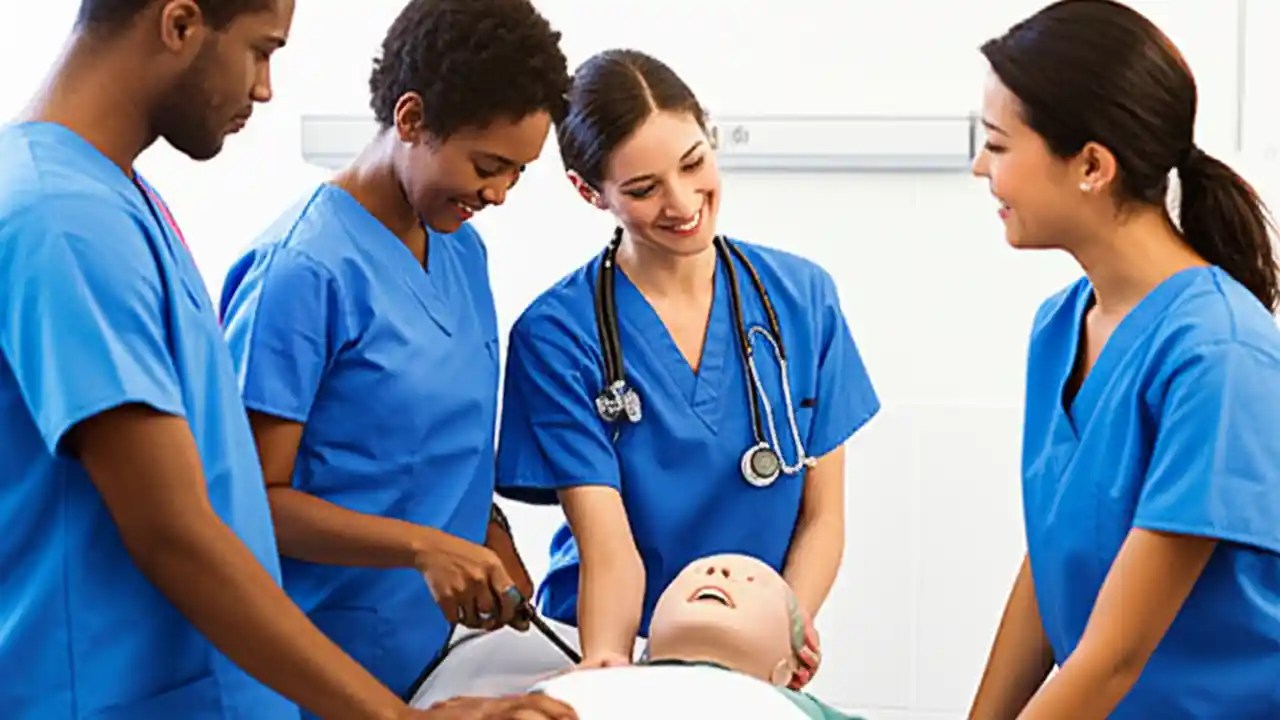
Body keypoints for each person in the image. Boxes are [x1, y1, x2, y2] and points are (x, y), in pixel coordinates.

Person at [0, 2, 575, 719]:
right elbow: (176, 528)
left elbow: (217, 481)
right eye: (260, 49)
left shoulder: (118, 203)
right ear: (179, 24)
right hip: (108, 691)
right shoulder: (64, 220)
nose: (267, 87)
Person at [218, 0, 571, 706]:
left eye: (518, 174)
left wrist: (487, 532)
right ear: (410, 120)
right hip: (317, 663)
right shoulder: (303, 270)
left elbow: (441, 444)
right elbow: (251, 502)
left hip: (429, 654)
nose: (498, 193)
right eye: (487, 164)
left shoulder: (461, 249)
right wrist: (422, 546)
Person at [494, 49, 881, 689]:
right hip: (613, 634)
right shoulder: (559, 334)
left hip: (754, 645)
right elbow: (607, 545)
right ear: (590, 192)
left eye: (694, 162)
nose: (682, 202)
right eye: (643, 190)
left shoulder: (801, 300)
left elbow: (822, 517)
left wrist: (779, 634)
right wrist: (610, 680)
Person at [967, 1, 1280, 718]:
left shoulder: (1219, 357)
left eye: (1000, 145)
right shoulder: (1060, 328)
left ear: (1092, 165)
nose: (981, 167)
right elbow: (1050, 565)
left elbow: (1114, 658)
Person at [530, 554, 864, 720]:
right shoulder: (584, 685)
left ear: (787, 670)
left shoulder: (802, 709)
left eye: (751, 580)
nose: (718, 573)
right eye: (688, 577)